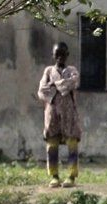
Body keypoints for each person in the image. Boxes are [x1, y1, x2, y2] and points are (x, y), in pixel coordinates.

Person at [37, 42, 82, 188]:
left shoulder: (72, 70)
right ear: (53, 55)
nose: (60, 57)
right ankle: (54, 176)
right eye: (57, 54)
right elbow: (42, 90)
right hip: (52, 112)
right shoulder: (48, 71)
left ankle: (71, 176)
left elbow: (73, 82)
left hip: (69, 113)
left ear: (67, 55)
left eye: (63, 54)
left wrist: (55, 85)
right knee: (52, 144)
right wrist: (60, 86)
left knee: (72, 143)